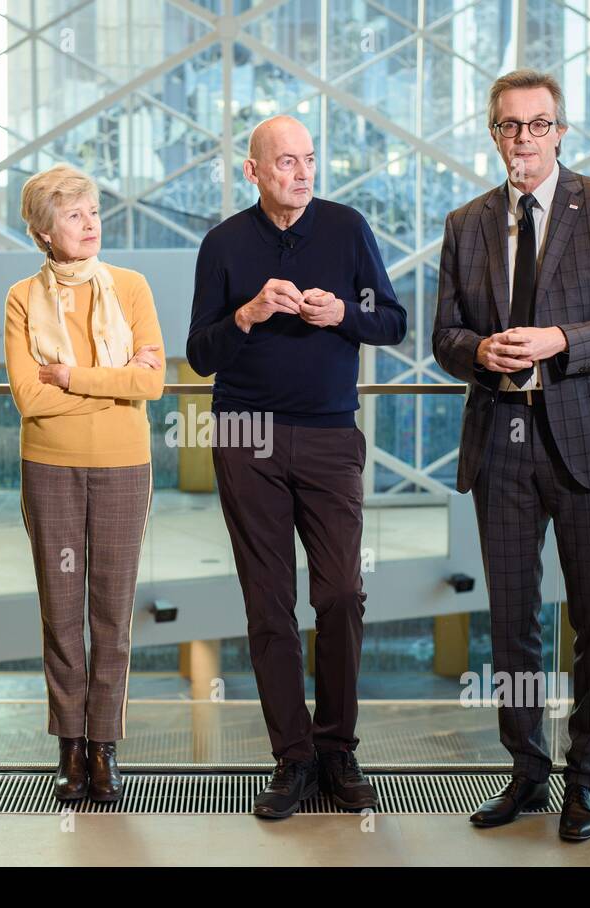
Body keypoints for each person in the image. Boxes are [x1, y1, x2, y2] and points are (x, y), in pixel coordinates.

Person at [432, 69, 590, 841]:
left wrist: (562, 340)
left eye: (538, 124)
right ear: (492, 132)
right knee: (512, 623)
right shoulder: (466, 223)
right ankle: (526, 770)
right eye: (509, 125)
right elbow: (444, 338)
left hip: (589, 447)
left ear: (561, 131)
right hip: (501, 443)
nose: (523, 138)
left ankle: (586, 781)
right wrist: (482, 350)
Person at [187, 115, 407, 819]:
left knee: (341, 592)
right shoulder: (222, 244)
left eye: (309, 159)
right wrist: (247, 314)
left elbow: (392, 323)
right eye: (286, 162)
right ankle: (294, 759)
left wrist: (343, 311)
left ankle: (338, 748)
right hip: (246, 435)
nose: (302, 172)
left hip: (329, 434)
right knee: (268, 603)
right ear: (252, 171)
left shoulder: (347, 229)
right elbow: (200, 353)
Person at [4, 163, 165, 803]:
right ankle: (70, 744)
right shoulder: (23, 298)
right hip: (49, 465)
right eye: (73, 215)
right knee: (61, 613)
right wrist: (110, 383)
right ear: (44, 232)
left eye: (93, 211)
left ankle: (105, 745)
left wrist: (69, 378)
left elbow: (150, 383)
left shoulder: (130, 287)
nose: (90, 224)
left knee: (112, 615)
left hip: (125, 465)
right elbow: (25, 398)